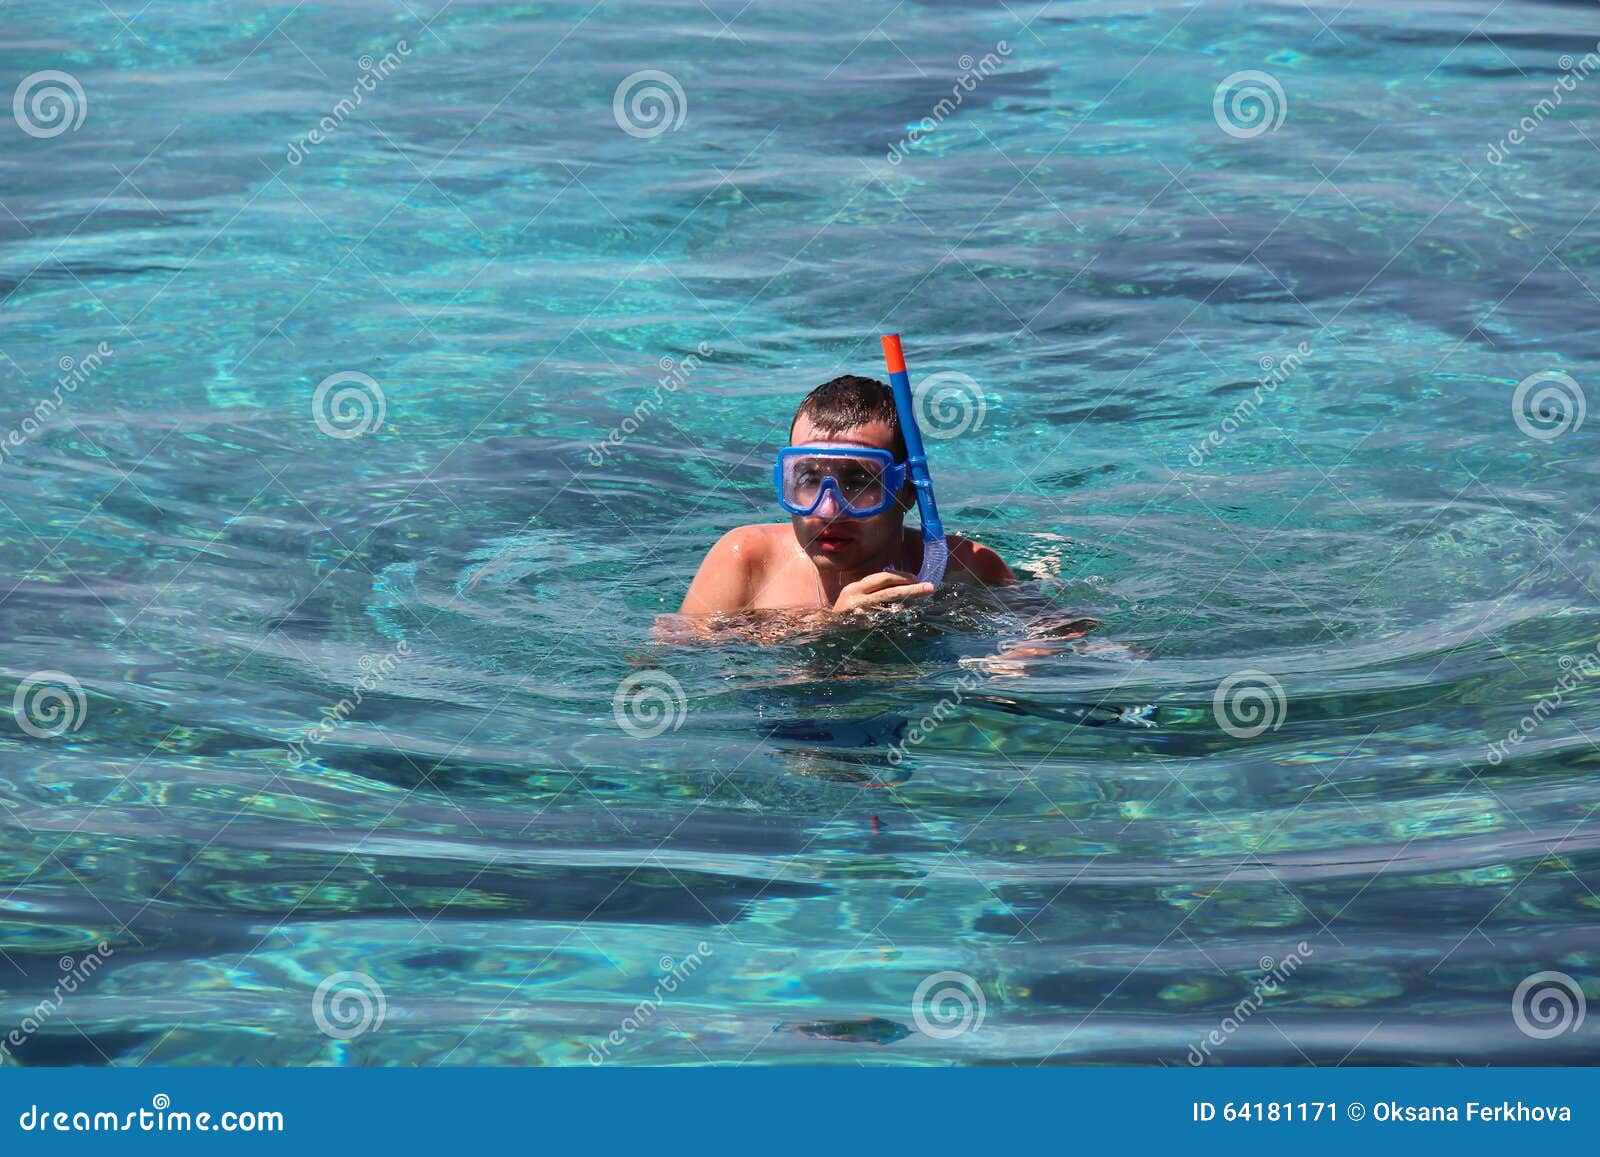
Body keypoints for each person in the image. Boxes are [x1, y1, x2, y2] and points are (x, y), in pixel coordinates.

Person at [679, 374, 1015, 617]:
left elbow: (1055, 642)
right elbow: (672, 664)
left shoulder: (966, 567)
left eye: (857, 480)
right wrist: (832, 630)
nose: (828, 510)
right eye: (808, 478)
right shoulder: (746, 559)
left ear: (908, 491)